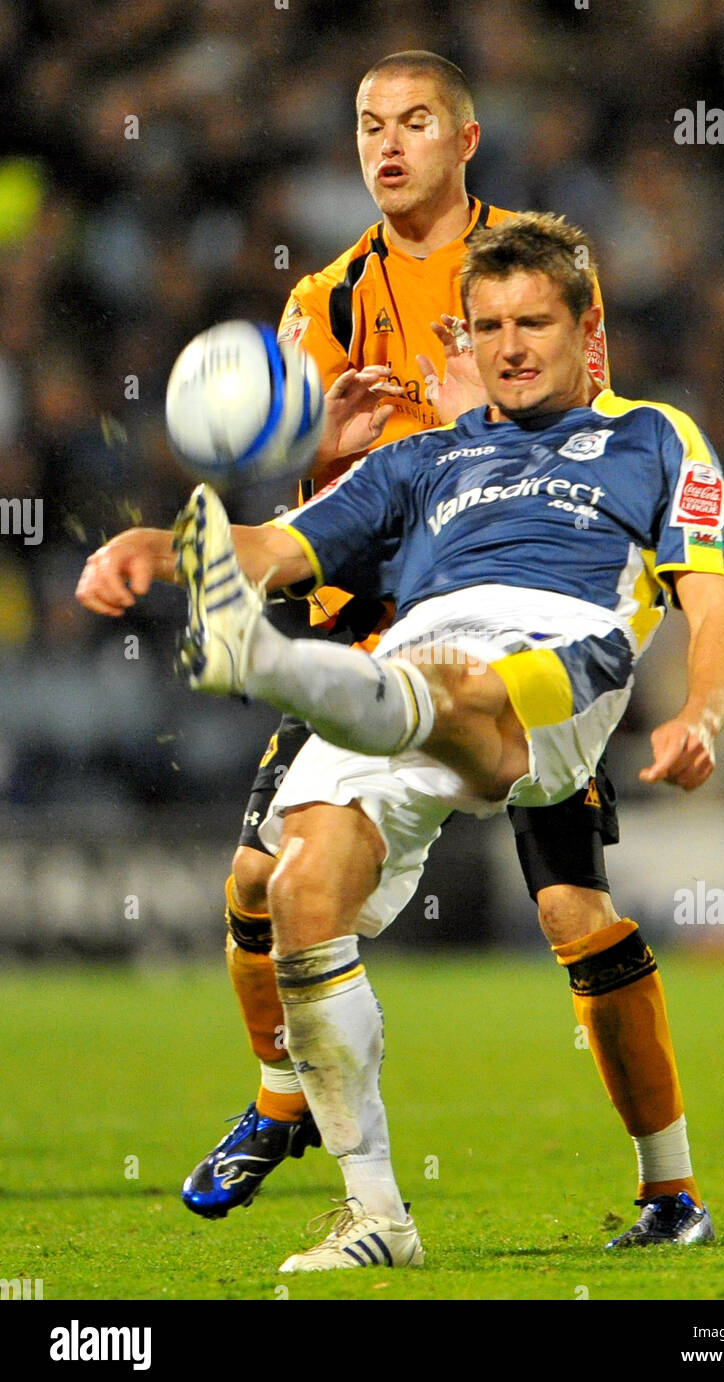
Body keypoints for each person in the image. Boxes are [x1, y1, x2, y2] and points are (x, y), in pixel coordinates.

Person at [77, 213, 724, 1269]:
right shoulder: (424, 458)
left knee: (473, 711)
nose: (510, 345)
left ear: (588, 332)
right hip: (407, 661)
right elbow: (273, 547)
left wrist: (699, 711)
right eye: (487, 326)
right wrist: (160, 546)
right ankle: (380, 1218)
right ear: (467, 336)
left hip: (560, 647)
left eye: (533, 322)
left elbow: (713, 607)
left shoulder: (654, 437)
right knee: (300, 890)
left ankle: (271, 667)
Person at [161, 48, 623, 1224]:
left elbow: (598, 419)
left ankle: (667, 1184)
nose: (386, 144)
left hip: (516, 609)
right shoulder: (322, 301)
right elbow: (297, 494)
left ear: (464, 139)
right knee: (256, 885)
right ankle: (281, 1101)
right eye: (368, 123)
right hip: (373, 632)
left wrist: (483, 428)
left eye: (414, 121)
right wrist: (324, 448)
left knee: (574, 912)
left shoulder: (535, 263)